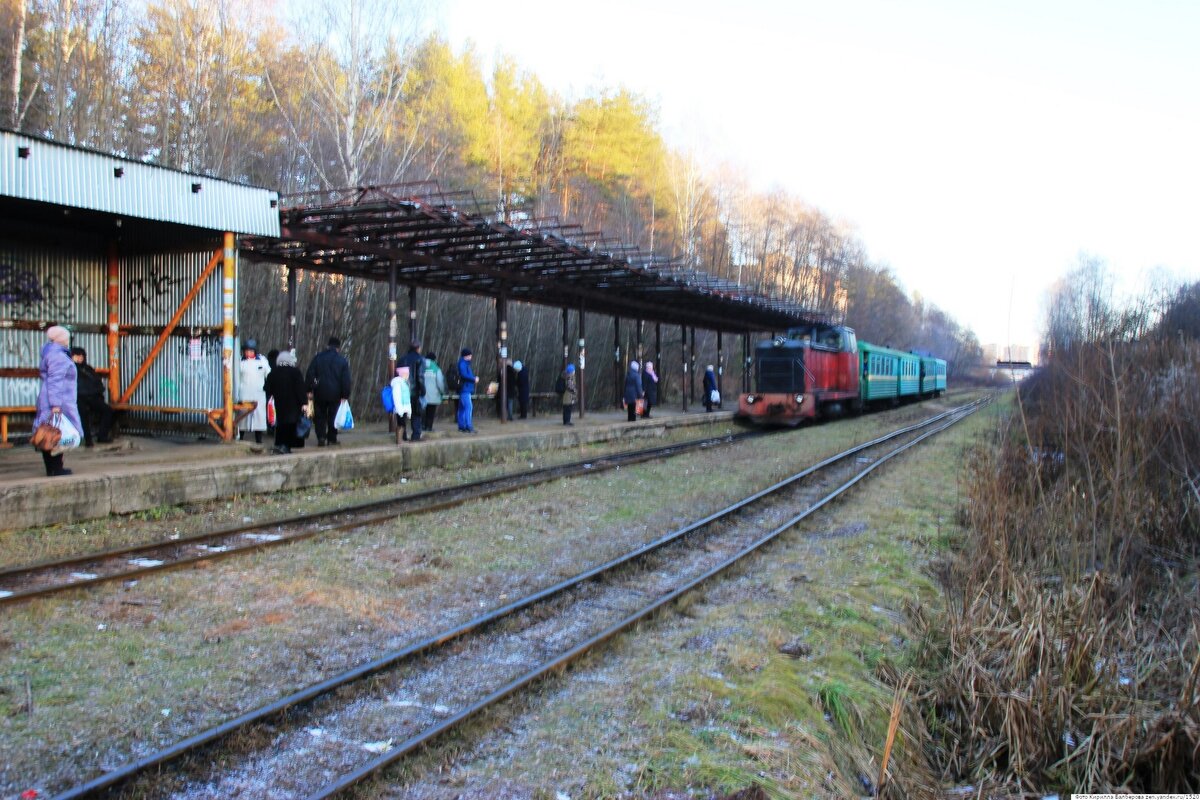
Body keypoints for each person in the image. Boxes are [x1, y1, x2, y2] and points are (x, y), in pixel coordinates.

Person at [34, 326, 82, 477]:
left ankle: (53, 468)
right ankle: (55, 468)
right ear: (62, 339)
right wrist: (56, 405)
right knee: (56, 433)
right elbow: (55, 381)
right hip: (59, 401)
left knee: (49, 432)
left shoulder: (52, 353)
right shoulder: (59, 356)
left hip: (53, 399)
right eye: (67, 338)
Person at [306, 336, 352, 446]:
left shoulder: (318, 358)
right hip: (336, 393)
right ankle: (332, 438)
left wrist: (309, 389)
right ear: (338, 348)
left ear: (328, 346)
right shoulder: (342, 361)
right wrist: (345, 394)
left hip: (320, 391)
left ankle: (321, 437)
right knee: (333, 415)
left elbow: (310, 374)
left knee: (320, 415)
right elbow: (346, 380)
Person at [264, 350, 308, 454]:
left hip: (278, 404)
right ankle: (287, 446)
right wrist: (304, 403)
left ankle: (279, 444)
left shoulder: (273, 373)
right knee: (291, 425)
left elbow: (267, 389)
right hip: (293, 405)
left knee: (280, 425)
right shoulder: (295, 372)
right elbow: (300, 389)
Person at [70, 346, 113, 446]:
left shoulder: (88, 368)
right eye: (77, 356)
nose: (79, 358)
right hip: (78, 398)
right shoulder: (70, 369)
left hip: (93, 397)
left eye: (81, 356)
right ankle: (88, 440)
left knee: (108, 410)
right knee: (83, 416)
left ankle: (102, 436)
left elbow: (97, 382)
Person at [238, 339, 270, 444]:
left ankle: (259, 439)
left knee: (259, 417)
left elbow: (269, 375)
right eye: (246, 351)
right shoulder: (240, 361)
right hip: (244, 393)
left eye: (250, 351)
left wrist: (268, 387)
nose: (248, 353)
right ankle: (240, 436)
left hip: (258, 393)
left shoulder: (262, 360)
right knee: (242, 416)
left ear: (254, 351)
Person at [399, 340, 426, 442]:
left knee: (403, 413)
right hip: (415, 391)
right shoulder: (420, 360)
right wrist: (423, 390)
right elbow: (420, 377)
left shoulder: (402, 360)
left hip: (403, 390)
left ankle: (403, 435)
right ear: (418, 348)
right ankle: (416, 435)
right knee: (416, 413)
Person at [421, 351, 447, 432]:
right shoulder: (436, 369)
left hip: (422, 393)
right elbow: (440, 383)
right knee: (431, 412)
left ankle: (422, 426)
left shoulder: (420, 367)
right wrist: (443, 392)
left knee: (422, 411)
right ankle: (429, 427)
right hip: (434, 394)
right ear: (434, 359)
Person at [456, 348, 477, 433]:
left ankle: (462, 426)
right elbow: (464, 375)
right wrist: (473, 379)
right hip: (465, 389)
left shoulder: (464, 364)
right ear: (467, 355)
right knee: (468, 407)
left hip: (465, 388)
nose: (471, 356)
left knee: (462, 408)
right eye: (470, 355)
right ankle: (468, 426)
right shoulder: (463, 364)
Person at [391, 365, 414, 442]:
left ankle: (402, 438)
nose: (407, 375)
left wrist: (408, 410)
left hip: (405, 408)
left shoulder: (405, 383)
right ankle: (399, 439)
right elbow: (396, 397)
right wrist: (399, 409)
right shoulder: (397, 383)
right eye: (406, 374)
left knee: (403, 424)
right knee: (401, 424)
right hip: (400, 408)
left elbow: (407, 398)